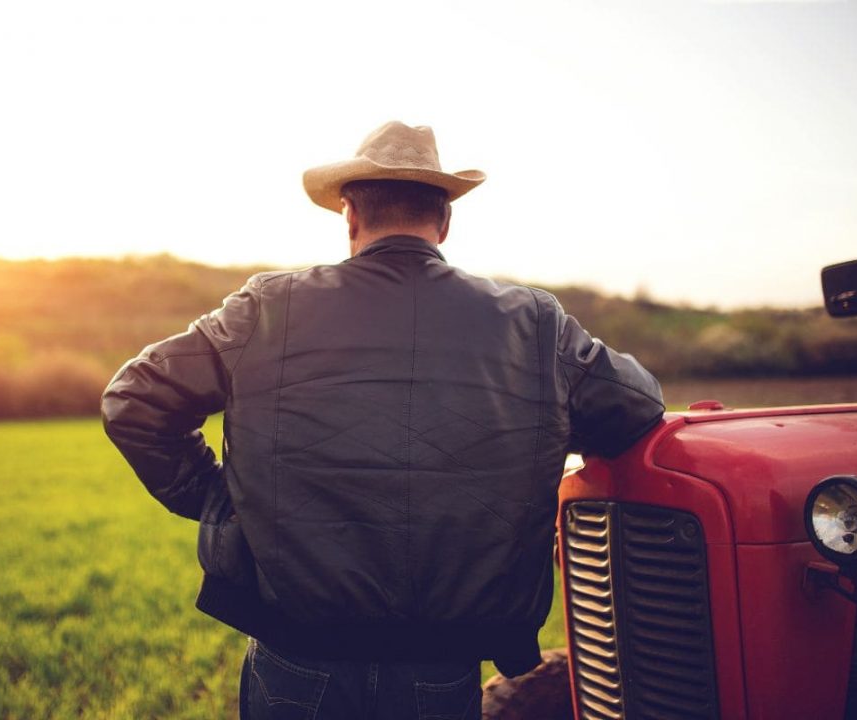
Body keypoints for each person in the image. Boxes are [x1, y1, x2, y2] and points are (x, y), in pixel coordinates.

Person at [101, 121, 665, 720]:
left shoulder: (267, 309)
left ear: (349, 216)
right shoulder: (534, 322)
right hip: (441, 667)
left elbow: (135, 398)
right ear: (444, 220)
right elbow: (638, 404)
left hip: (295, 661)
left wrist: (219, 501)